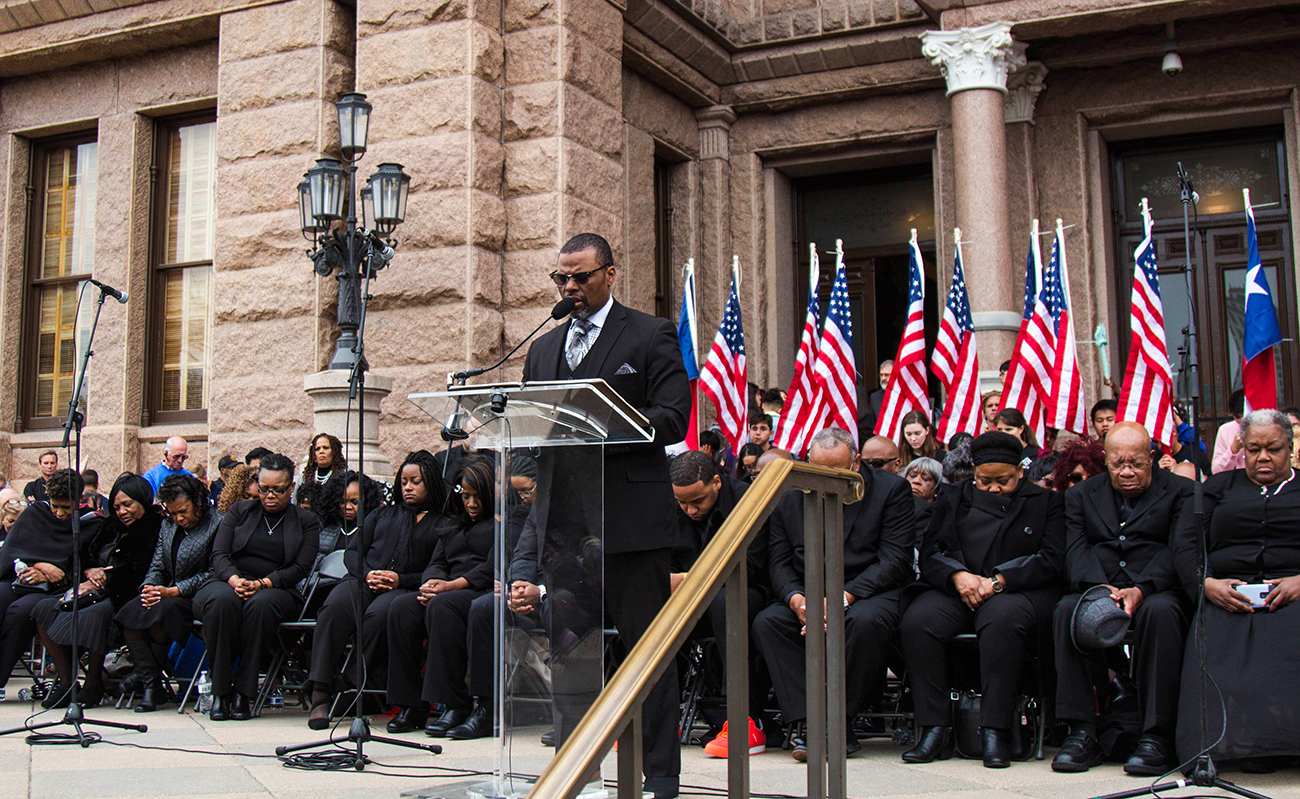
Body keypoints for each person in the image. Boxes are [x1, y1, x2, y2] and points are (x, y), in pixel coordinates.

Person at [521, 232, 691, 797]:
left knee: (647, 652)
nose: (570, 286)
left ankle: (660, 773)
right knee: (571, 653)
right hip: (565, 529)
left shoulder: (648, 333)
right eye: (561, 278)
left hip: (630, 525)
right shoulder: (543, 350)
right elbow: (531, 424)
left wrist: (602, 422)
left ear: (610, 274)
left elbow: (673, 416)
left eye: (581, 276)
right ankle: (577, 765)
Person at [902, 431, 1065, 769]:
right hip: (960, 587)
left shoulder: (1045, 502)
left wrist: (1000, 581)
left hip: (1015, 590)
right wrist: (957, 576)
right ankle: (934, 727)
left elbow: (1051, 559)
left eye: (1003, 481)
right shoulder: (951, 496)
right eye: (984, 481)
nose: (993, 489)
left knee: (1001, 622)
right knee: (919, 622)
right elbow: (931, 552)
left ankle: (995, 729)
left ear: (1020, 471)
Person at [752, 427, 915, 762]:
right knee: (769, 622)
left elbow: (894, 560)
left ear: (856, 462)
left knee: (865, 622)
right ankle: (808, 720)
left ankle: (839, 721)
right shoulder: (790, 494)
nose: (825, 480)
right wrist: (797, 600)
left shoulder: (890, 490)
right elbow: (779, 561)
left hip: (867, 590)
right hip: (808, 590)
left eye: (836, 472)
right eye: (818, 471)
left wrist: (843, 598)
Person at [1051, 423, 1194, 775]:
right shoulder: (1081, 495)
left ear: (1152, 458)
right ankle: (1081, 731)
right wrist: (1101, 591)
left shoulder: (1182, 492)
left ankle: (1156, 735)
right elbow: (1076, 549)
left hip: (1156, 588)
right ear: (1106, 460)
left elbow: (1178, 549)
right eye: (1118, 464)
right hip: (1099, 584)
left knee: (1161, 613)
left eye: (1136, 464)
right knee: (1067, 610)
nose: (1127, 472)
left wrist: (1142, 589)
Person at [1174, 409, 1300, 770]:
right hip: (1228, 593)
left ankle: (1283, 743)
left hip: (1294, 591)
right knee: (1216, 641)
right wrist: (1206, 584)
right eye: (1254, 449)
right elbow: (1185, 544)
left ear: (1290, 448)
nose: (1263, 457)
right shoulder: (1216, 489)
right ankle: (1231, 746)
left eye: (1273, 449)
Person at [385, 457, 523, 739]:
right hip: (447, 590)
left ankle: (456, 703)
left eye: (477, 497)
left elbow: (493, 566)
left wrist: (451, 586)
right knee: (402, 607)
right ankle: (411, 703)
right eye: (466, 496)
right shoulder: (454, 523)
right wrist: (431, 583)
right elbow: (437, 561)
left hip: (479, 589)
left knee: (443, 606)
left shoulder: (505, 522)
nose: (471, 504)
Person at [308, 455, 445, 731]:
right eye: (403, 482)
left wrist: (399, 579)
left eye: (415, 482)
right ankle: (319, 690)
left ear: (430, 482)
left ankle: (350, 681)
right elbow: (352, 552)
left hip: (405, 588)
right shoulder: (382, 515)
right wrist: (368, 573)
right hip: (365, 579)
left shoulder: (442, 522)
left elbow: (438, 568)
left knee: (379, 615)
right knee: (335, 607)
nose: (408, 487)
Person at [193, 453, 319, 721]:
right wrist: (235, 580)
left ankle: (244, 692)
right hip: (230, 581)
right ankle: (220, 692)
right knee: (221, 602)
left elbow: (301, 567)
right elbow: (219, 554)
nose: (270, 495)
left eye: (278, 490)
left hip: (277, 588)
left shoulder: (306, 522)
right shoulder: (240, 511)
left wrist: (263, 583)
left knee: (260, 606)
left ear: (291, 487)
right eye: (264, 489)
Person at [669, 450, 771, 757]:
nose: (690, 510)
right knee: (653, 608)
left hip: (747, 590)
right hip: (692, 596)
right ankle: (661, 716)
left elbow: (752, 565)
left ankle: (743, 719)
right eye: (682, 502)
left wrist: (687, 580)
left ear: (716, 482)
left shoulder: (748, 499)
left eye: (698, 501)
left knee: (726, 603)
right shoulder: (674, 504)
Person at [32, 473, 162, 708]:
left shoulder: (154, 527)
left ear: (142, 500)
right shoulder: (109, 526)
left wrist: (105, 580)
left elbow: (142, 569)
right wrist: (89, 570)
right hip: (91, 590)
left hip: (124, 596)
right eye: (117, 507)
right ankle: (66, 681)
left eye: (128, 505)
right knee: (43, 608)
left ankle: (94, 682)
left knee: (94, 614)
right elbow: (80, 555)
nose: (122, 512)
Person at [116, 473, 222, 712]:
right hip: (166, 592)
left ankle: (145, 680)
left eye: (183, 511)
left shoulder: (217, 523)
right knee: (131, 613)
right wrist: (149, 588)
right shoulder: (168, 525)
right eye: (173, 513)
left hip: (196, 596)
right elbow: (158, 565)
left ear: (198, 502)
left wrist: (175, 590)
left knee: (162, 614)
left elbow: (214, 571)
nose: (179, 518)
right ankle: (151, 682)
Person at [0, 469, 96, 702]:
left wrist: (55, 574)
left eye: (66, 507)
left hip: (56, 590)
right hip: (21, 578)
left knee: (20, 612)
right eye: (55, 506)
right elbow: (11, 551)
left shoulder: (91, 523)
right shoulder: (35, 514)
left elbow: (86, 564)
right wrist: (39, 566)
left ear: (78, 500)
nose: (60, 513)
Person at [1211, 389, 1247, 474]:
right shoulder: (1225, 430)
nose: (1242, 421)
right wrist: (1233, 449)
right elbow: (1216, 471)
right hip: (1235, 479)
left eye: (1246, 416)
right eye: (1238, 417)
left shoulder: (1265, 428)